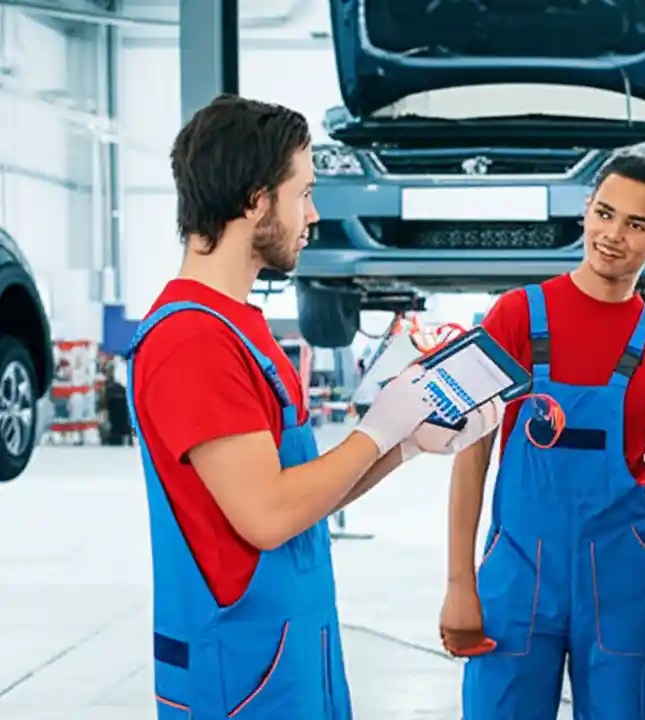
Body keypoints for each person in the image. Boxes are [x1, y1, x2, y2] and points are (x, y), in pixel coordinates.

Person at [128, 94, 499, 719]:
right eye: (303, 193)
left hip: (288, 655)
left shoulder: (239, 329)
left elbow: (300, 496)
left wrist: (405, 442)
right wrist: (379, 428)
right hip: (241, 676)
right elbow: (268, 515)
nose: (315, 214)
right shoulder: (192, 341)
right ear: (255, 200)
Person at [438, 154, 645, 719]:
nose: (614, 235)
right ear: (586, 212)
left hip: (621, 579)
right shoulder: (512, 317)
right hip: (515, 573)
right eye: (605, 214)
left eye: (638, 224)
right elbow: (472, 452)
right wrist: (460, 581)